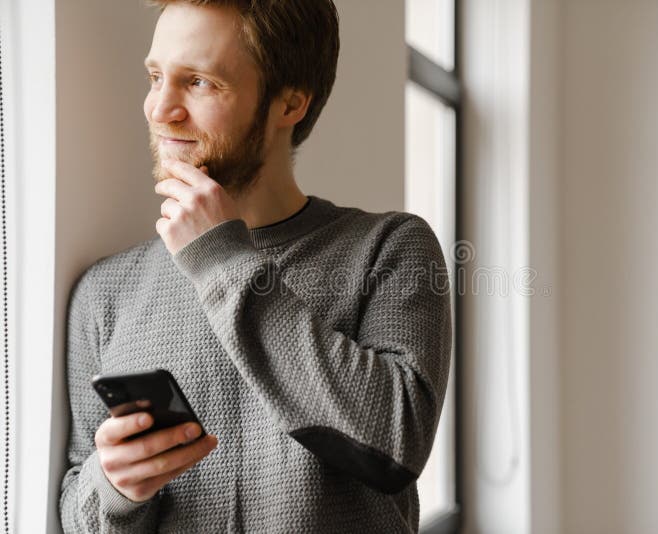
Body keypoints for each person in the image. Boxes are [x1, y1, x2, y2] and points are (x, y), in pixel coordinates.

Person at [58, 1, 452, 532]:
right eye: (156, 76)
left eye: (199, 82)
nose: (159, 108)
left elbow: (395, 446)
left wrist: (221, 261)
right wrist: (114, 488)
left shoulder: (391, 249)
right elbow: (78, 507)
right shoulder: (106, 292)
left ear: (290, 103)